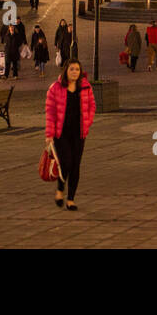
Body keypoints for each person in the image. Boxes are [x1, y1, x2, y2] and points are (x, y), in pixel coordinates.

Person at [45, 59, 96, 210]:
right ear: (66, 71)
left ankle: (71, 199)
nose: (74, 72)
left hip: (79, 132)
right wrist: (49, 134)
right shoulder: (55, 88)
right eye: (72, 69)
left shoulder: (85, 87)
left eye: (77, 69)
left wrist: (87, 122)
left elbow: (92, 106)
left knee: (75, 165)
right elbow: (50, 112)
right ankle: (60, 189)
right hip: (61, 133)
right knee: (66, 162)